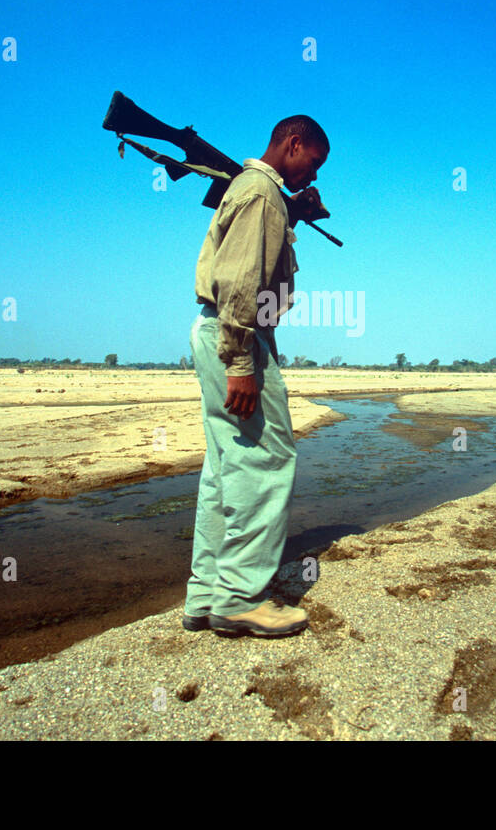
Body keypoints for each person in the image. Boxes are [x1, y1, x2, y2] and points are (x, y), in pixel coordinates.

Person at [184, 114, 331, 636]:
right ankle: (241, 598)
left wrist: (295, 214)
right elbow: (240, 281)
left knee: (227, 465)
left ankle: (207, 595)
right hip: (237, 336)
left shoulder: (261, 194)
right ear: (293, 143)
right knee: (265, 460)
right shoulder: (262, 194)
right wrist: (242, 362)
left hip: (222, 331)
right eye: (313, 162)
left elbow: (253, 265)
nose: (312, 174)